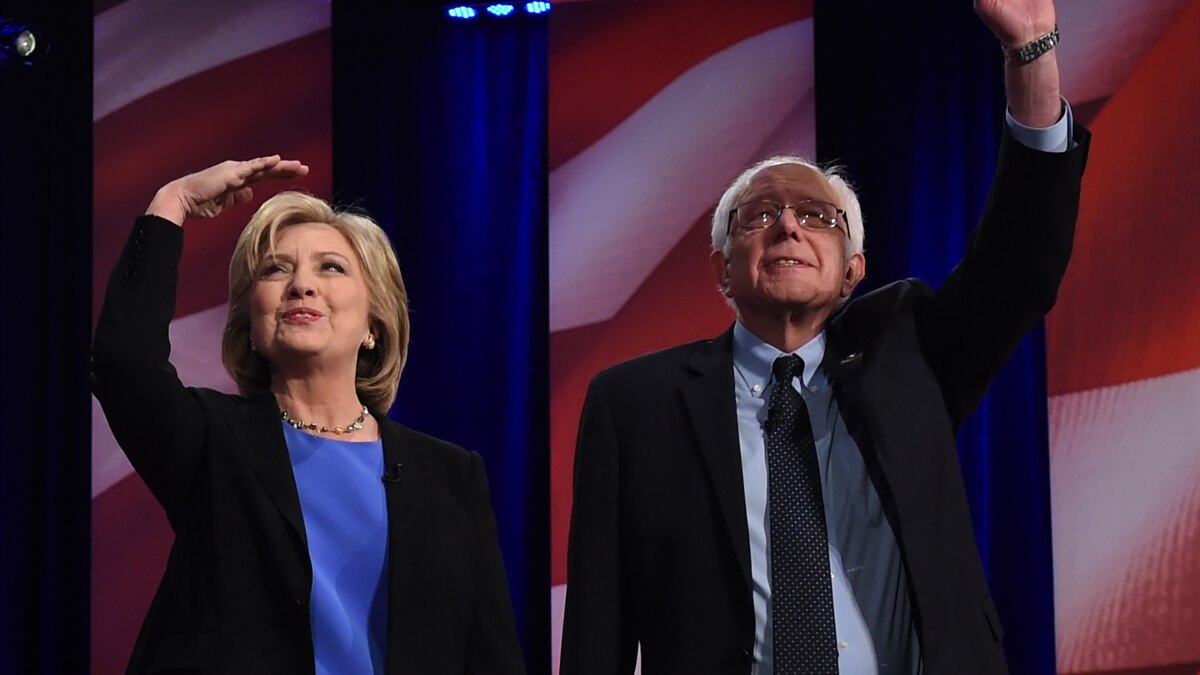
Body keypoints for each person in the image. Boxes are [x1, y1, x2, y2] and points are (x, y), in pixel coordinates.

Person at [560, 0, 1089, 673]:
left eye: (817, 216)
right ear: (722, 268)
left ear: (852, 272)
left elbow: (1020, 265)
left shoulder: (910, 349)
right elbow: (596, 631)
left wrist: (1032, 50)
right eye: (760, 215)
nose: (788, 225)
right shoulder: (634, 406)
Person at [91, 157, 526, 674]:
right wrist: (173, 202)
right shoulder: (213, 443)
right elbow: (125, 364)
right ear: (251, 327)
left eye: (331, 267)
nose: (301, 284)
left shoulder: (452, 477)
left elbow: (491, 659)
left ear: (374, 324)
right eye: (276, 269)